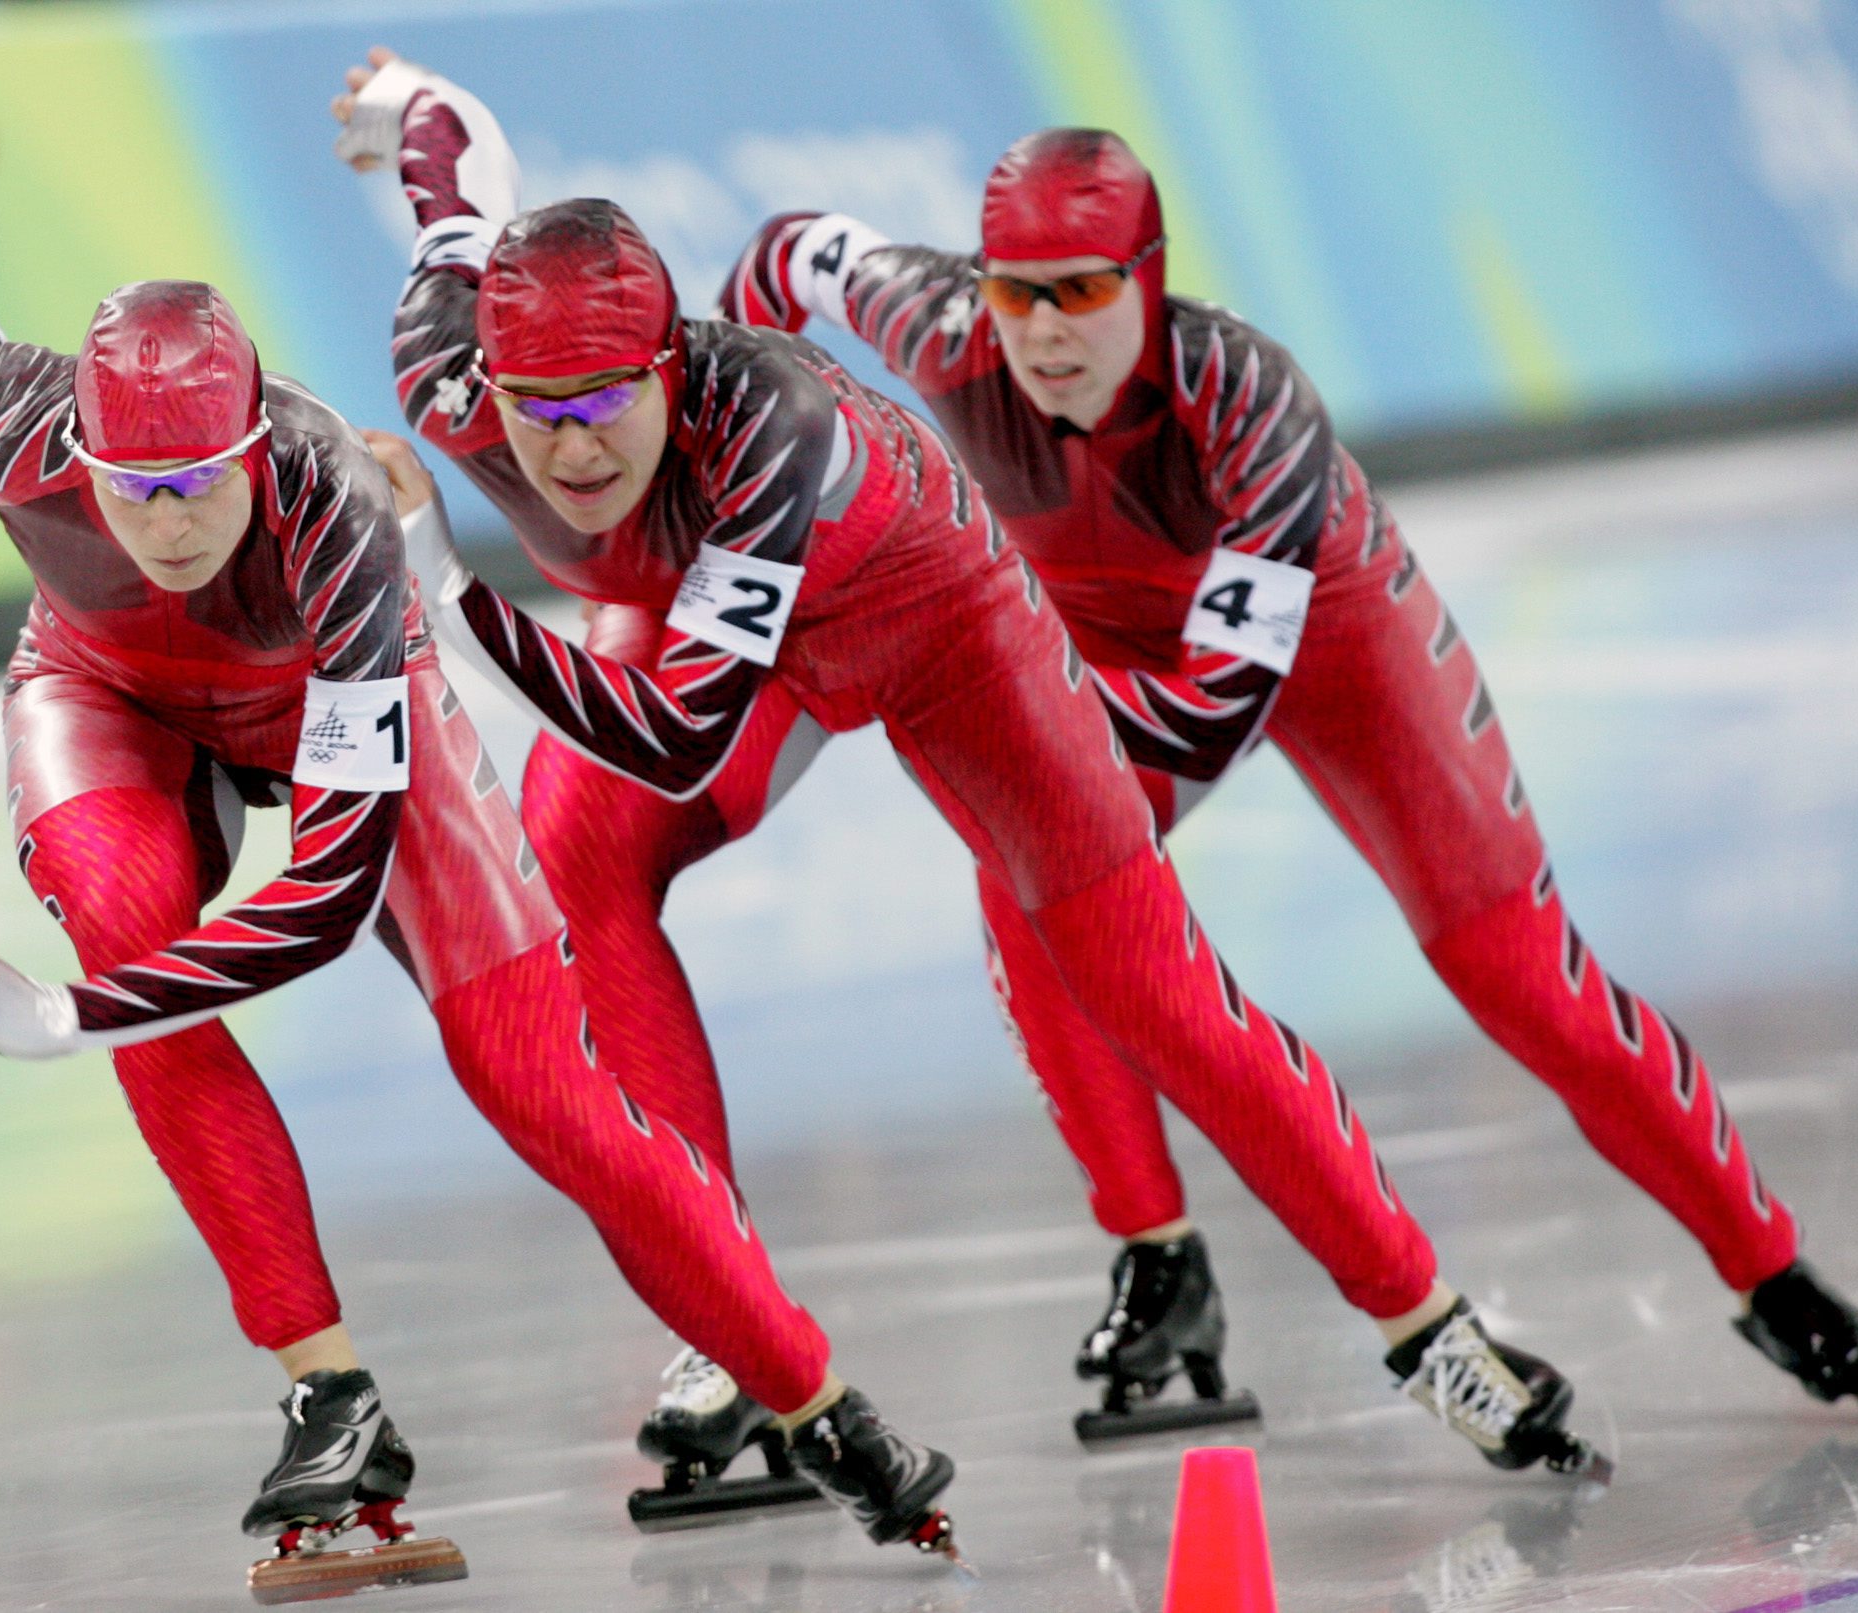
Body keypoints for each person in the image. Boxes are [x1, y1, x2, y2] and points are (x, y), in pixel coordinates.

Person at [0, 56, 961, 1559]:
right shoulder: (0, 416)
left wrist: (62, 1019)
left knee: (538, 1079)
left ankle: (816, 1396)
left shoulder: (338, 520)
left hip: (332, 696)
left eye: (200, 483)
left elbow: (323, 902)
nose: (167, 523)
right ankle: (331, 1393)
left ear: (255, 447)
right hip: (107, 690)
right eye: (130, 489)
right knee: (127, 921)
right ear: (80, 458)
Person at [333, 45, 1611, 1488]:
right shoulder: (444, 362)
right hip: (718, 620)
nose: (570, 451)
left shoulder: (770, 424)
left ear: (672, 367)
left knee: (1149, 985)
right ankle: (730, 1324)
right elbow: (459, 177)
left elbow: (678, 734)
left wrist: (451, 587)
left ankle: (1424, 1323)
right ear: (478, 379)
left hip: (943, 628)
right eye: (536, 408)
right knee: (575, 862)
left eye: (606, 402)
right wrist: (404, 100)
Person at [708, 127, 1858, 1422]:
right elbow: (786, 258)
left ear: (1149, 279)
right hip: (1116, 644)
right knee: (1028, 880)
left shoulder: (1246, 397)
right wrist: (737, 460)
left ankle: (1767, 1265)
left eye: (1085, 291)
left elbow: (1209, 712)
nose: (1046, 330)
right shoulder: (941, 323)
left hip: (1334, 646)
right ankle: (1158, 1257)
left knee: (1516, 972)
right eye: (1018, 291)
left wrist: (1032, 732)